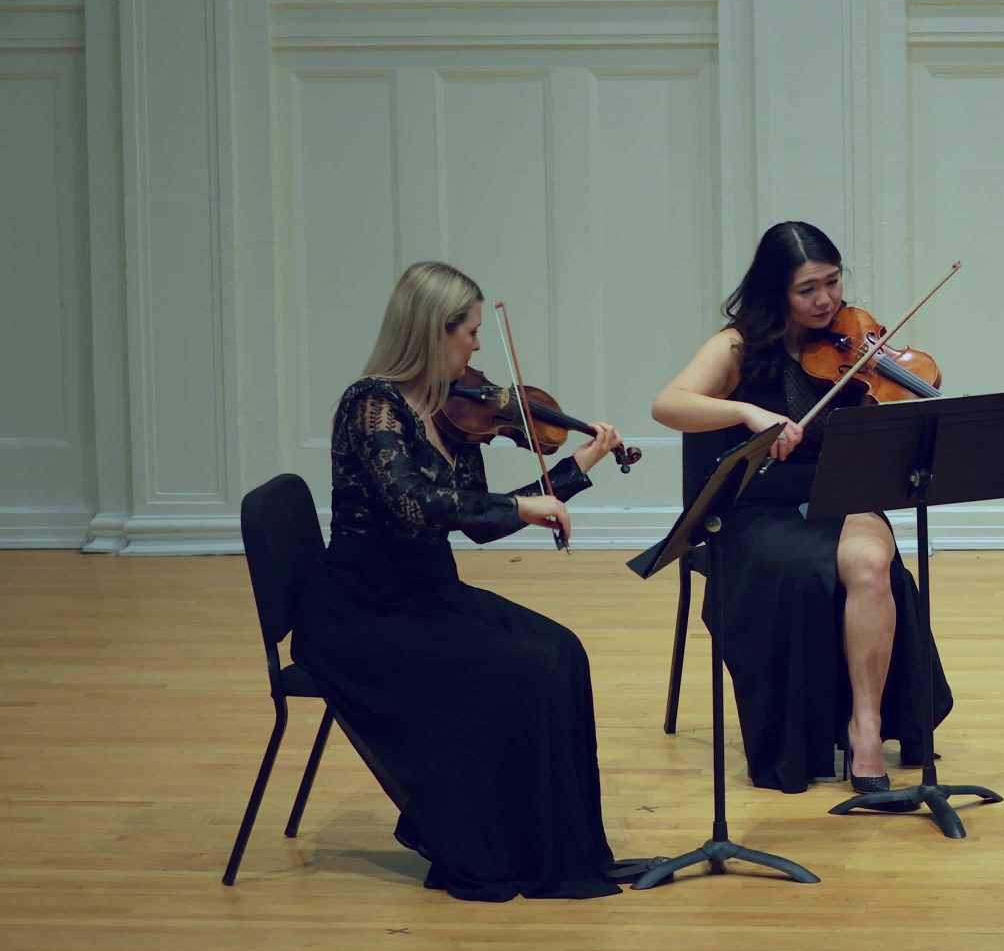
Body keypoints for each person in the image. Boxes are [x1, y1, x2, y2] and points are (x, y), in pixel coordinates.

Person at [291, 261, 640, 901]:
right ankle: (493, 846)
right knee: (521, 668)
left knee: (560, 651)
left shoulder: (457, 412)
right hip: (361, 614)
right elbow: (412, 506)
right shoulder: (372, 405)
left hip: (427, 596)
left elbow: (478, 525)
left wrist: (576, 468)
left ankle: (562, 847)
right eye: (469, 333)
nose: (479, 348)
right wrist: (522, 507)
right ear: (432, 331)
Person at [650, 221, 951, 796]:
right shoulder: (737, 346)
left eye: (832, 283)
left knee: (869, 565)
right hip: (754, 507)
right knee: (806, 572)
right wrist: (744, 412)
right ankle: (808, 730)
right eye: (807, 289)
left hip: (841, 492)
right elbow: (668, 404)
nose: (826, 301)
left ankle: (866, 727)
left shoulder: (853, 340)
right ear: (774, 292)